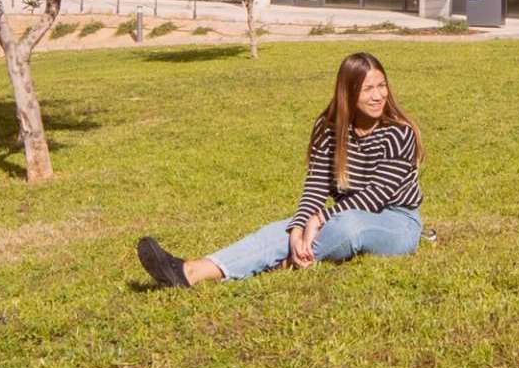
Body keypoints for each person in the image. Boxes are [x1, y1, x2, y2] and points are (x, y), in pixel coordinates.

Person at [135, 51, 424, 287]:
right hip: (340, 216)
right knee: (283, 231)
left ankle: (281, 263)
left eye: (382, 85)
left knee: (350, 227)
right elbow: (315, 186)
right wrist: (300, 224)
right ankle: (190, 271)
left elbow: (376, 195)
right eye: (368, 88)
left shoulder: (399, 133)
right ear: (348, 93)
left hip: (396, 221)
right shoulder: (328, 130)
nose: (378, 96)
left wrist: (321, 218)